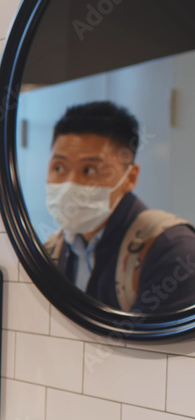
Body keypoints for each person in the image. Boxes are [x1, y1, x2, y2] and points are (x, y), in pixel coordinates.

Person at [42, 101, 195, 313]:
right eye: (58, 167)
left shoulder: (172, 250)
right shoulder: (53, 249)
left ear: (130, 177)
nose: (70, 183)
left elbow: (146, 345)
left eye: (89, 170)